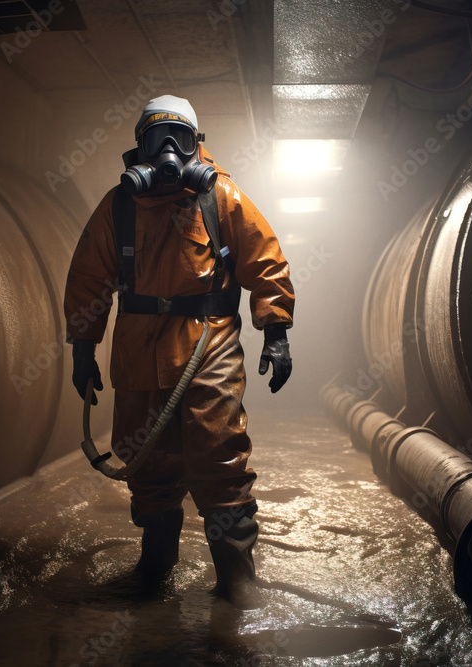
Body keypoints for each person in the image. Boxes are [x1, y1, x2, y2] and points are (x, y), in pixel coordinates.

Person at [64, 95, 294, 608]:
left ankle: (236, 578)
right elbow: (89, 279)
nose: (169, 151)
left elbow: (265, 260)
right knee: (147, 458)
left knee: (219, 450)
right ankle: (156, 566)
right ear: (139, 149)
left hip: (208, 341)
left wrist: (275, 329)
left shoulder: (221, 197)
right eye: (156, 139)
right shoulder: (119, 206)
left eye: (181, 139)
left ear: (196, 146)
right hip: (138, 346)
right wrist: (83, 346)